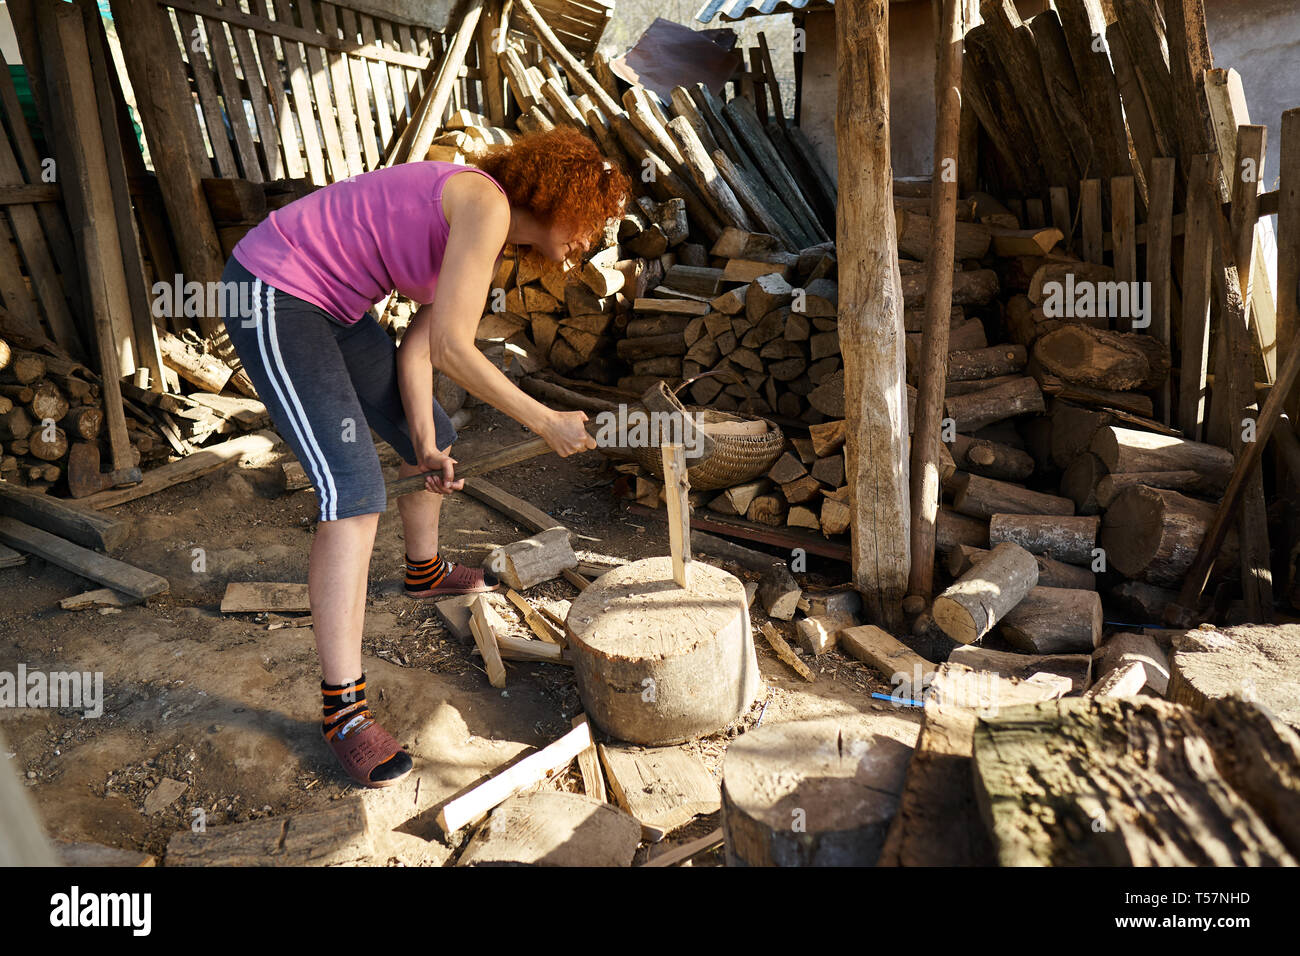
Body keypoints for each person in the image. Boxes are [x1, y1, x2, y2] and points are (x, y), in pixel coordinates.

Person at [220, 128, 630, 788]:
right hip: (274, 290)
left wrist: (427, 445)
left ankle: (423, 570)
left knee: (431, 427)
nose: (587, 244)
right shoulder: (485, 205)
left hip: (332, 307)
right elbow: (454, 352)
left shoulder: (488, 234)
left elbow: (419, 349)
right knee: (351, 490)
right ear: (561, 199)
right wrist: (545, 419)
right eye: (588, 225)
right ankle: (344, 713)